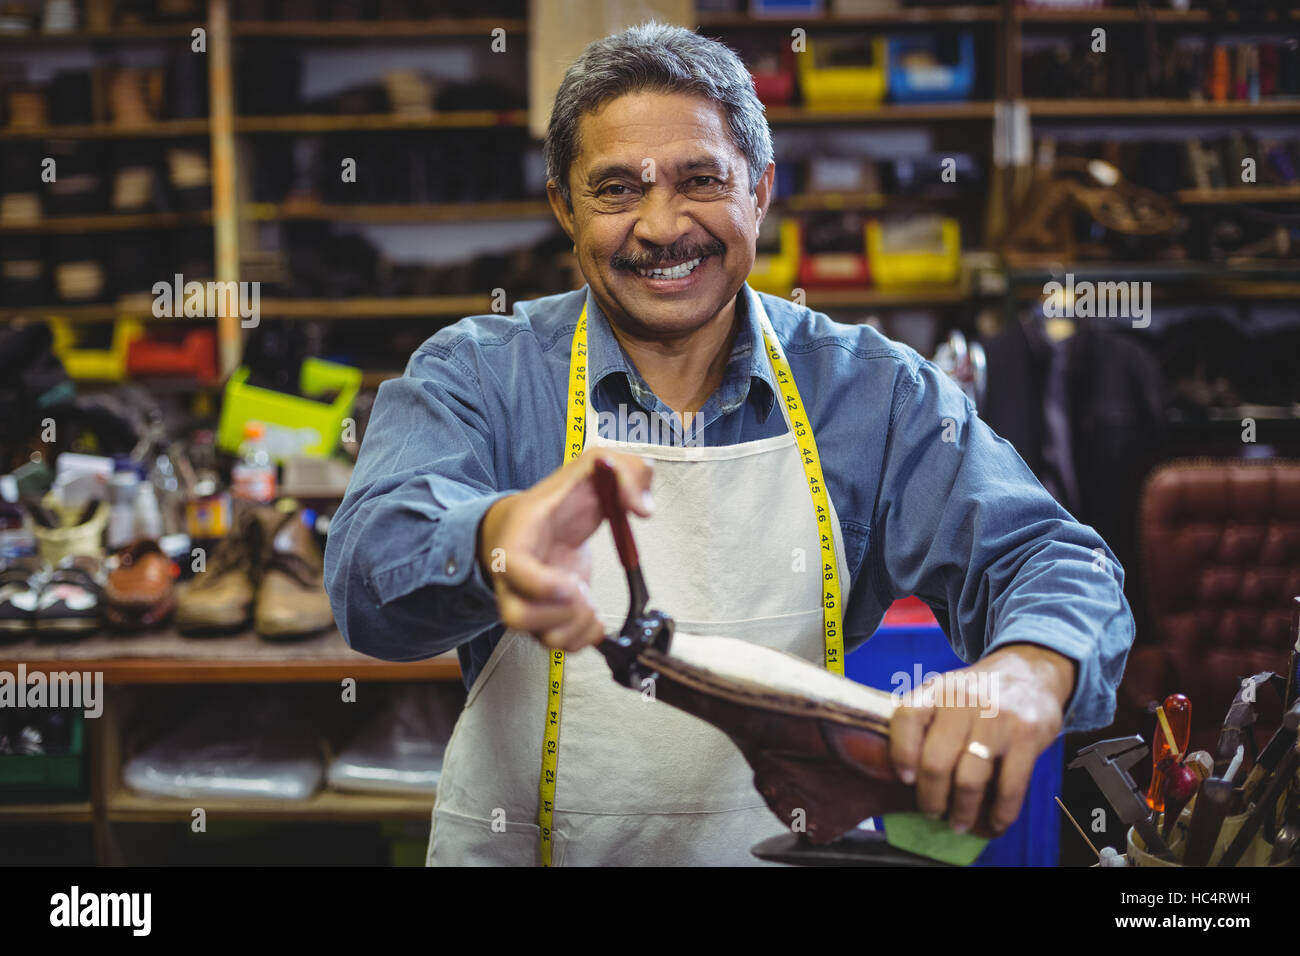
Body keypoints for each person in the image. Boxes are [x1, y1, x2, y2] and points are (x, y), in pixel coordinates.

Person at [324, 22, 1134, 866]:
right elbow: (367, 574)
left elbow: (1049, 554)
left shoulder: (870, 392)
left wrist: (1028, 671)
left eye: (700, 180)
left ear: (760, 189)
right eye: (614, 190)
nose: (661, 225)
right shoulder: (478, 374)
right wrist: (491, 541)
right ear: (564, 207)